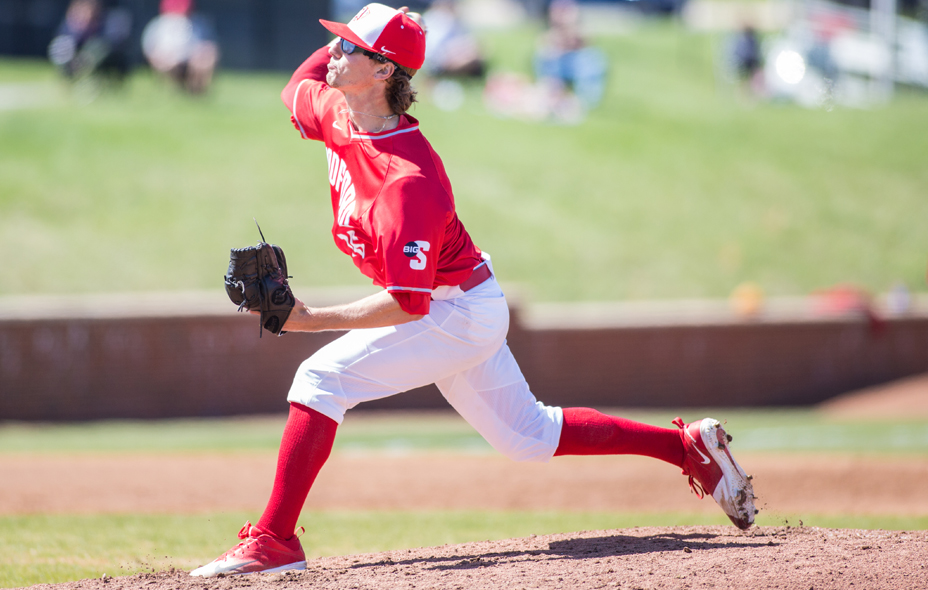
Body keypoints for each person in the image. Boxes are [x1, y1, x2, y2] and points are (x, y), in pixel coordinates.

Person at [189, 3, 757, 578]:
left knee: (319, 380)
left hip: (454, 312)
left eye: (349, 48)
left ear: (384, 72)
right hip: (457, 304)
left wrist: (306, 318)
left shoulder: (408, 182)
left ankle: (274, 540)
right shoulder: (338, 111)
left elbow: (409, 304)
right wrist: (353, 35)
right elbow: (297, 86)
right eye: (337, 44)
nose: (333, 54)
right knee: (528, 437)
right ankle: (686, 447)